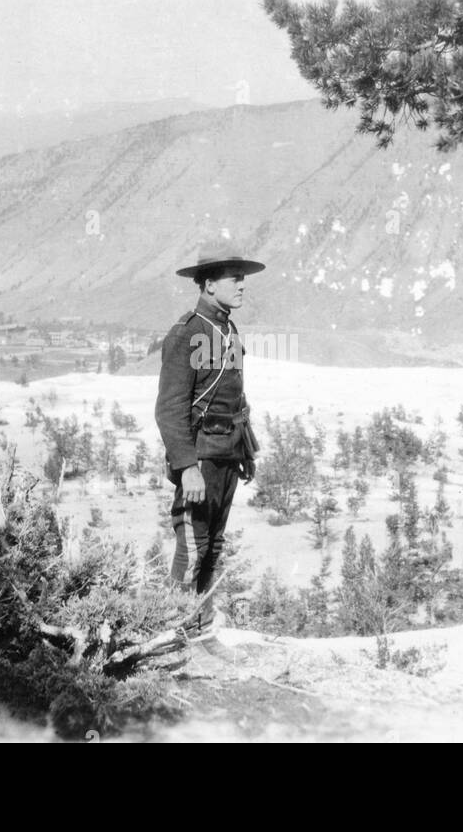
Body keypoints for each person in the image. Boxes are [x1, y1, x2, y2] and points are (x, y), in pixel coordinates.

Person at [155, 240, 264, 635]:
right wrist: (187, 468)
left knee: (213, 546)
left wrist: (246, 449)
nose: (241, 285)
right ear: (208, 284)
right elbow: (169, 409)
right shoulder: (186, 334)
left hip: (227, 456)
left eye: (242, 278)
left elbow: (235, 398)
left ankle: (198, 630)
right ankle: (171, 632)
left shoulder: (228, 329)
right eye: (234, 277)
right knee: (194, 547)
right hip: (200, 461)